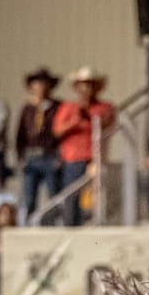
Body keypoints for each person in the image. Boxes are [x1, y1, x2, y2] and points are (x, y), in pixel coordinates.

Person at [52, 66, 116, 226]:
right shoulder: (68, 108)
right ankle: (70, 226)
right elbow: (57, 130)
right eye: (83, 84)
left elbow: (109, 123)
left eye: (89, 84)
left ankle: (94, 225)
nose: (86, 88)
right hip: (73, 159)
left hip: (95, 160)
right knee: (71, 197)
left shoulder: (105, 107)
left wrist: (91, 117)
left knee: (95, 199)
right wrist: (76, 120)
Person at [15, 67, 62, 222]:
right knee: (29, 197)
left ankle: (55, 223)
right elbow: (20, 135)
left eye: (43, 83)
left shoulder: (57, 107)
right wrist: (21, 156)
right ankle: (28, 224)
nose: (40, 87)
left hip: (49, 155)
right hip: (31, 156)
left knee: (54, 194)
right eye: (37, 84)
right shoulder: (28, 109)